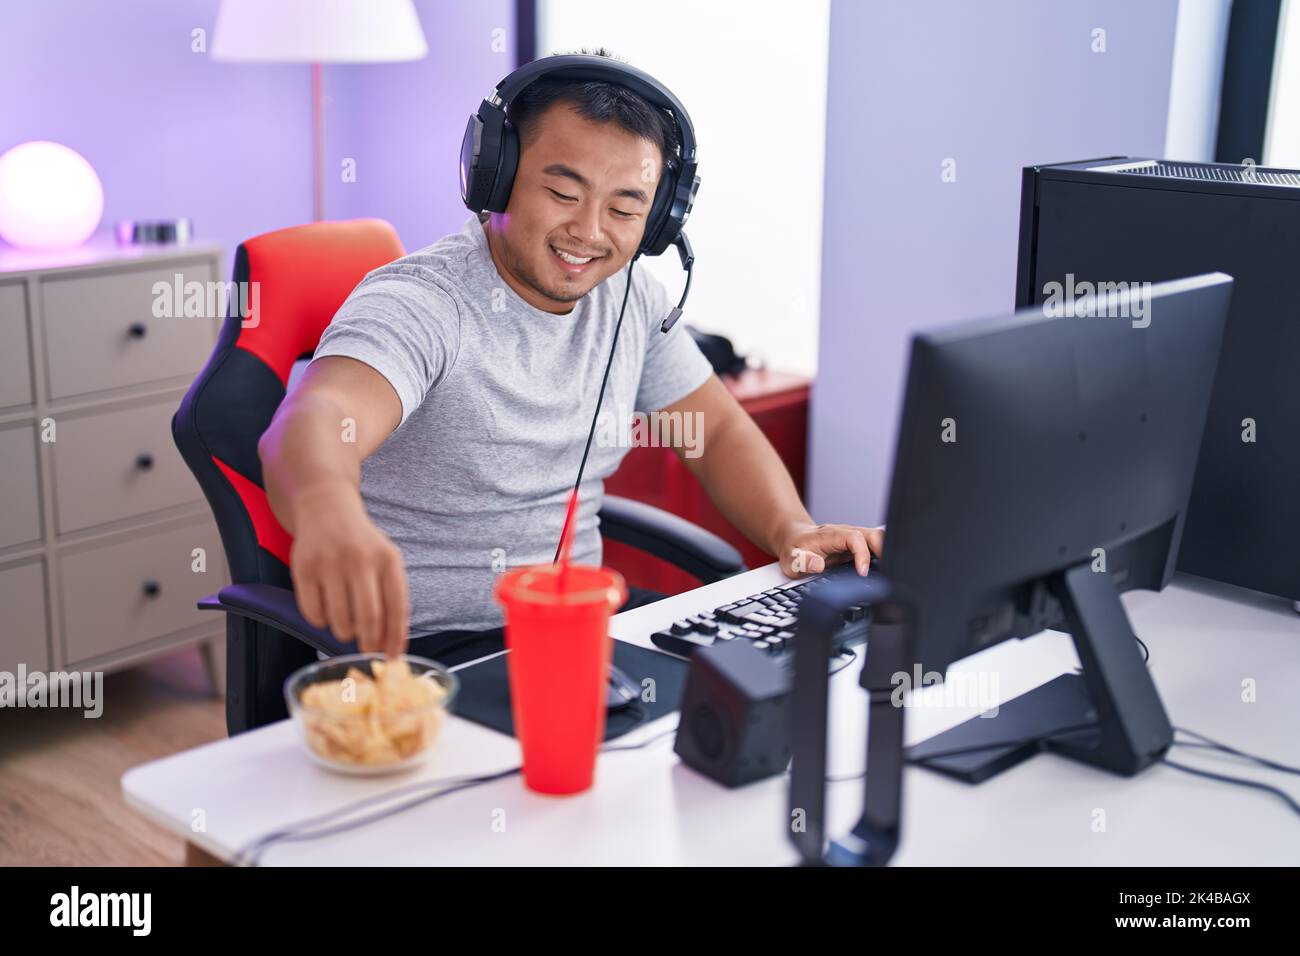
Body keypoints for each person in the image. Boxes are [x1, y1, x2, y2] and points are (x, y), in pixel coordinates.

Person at [258, 50, 884, 660]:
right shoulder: (425, 303)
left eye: (624, 207)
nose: (589, 231)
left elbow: (715, 432)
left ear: (659, 219)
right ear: (494, 177)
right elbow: (317, 418)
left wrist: (792, 530)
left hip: (580, 625)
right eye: (563, 193)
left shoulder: (631, 297)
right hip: (437, 651)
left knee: (770, 695)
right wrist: (326, 515)